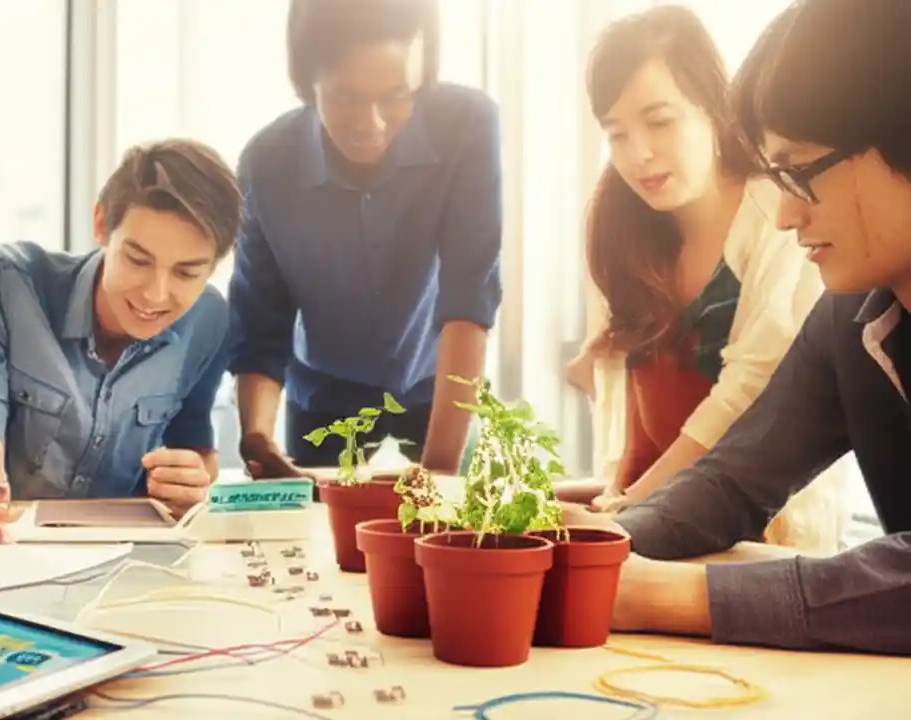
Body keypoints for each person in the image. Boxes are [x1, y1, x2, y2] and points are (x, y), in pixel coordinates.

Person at [570, 0, 911, 655]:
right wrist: (590, 547)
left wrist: (663, 596)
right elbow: (735, 478)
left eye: (799, 172)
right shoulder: (849, 317)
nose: (783, 213)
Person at [557, 5, 843, 554]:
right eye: (616, 134)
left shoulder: (778, 213)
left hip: (763, 536)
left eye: (660, 121)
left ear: (713, 105)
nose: (638, 154)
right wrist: (619, 502)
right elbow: (630, 382)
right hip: (644, 523)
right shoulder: (617, 220)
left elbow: (750, 393)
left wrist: (632, 511)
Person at [229, 0, 501, 479]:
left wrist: (438, 477)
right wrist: (258, 440)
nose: (371, 124)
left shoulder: (468, 125)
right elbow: (260, 326)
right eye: (346, 98)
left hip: (441, 384)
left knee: (455, 528)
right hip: (323, 391)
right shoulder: (266, 162)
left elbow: (470, 295)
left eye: (397, 96)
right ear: (307, 81)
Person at [0, 139, 241, 542]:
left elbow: (196, 448)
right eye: (137, 259)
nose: (155, 293)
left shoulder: (208, 318)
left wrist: (191, 483)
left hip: (123, 554)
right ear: (101, 225)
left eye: (186, 273)